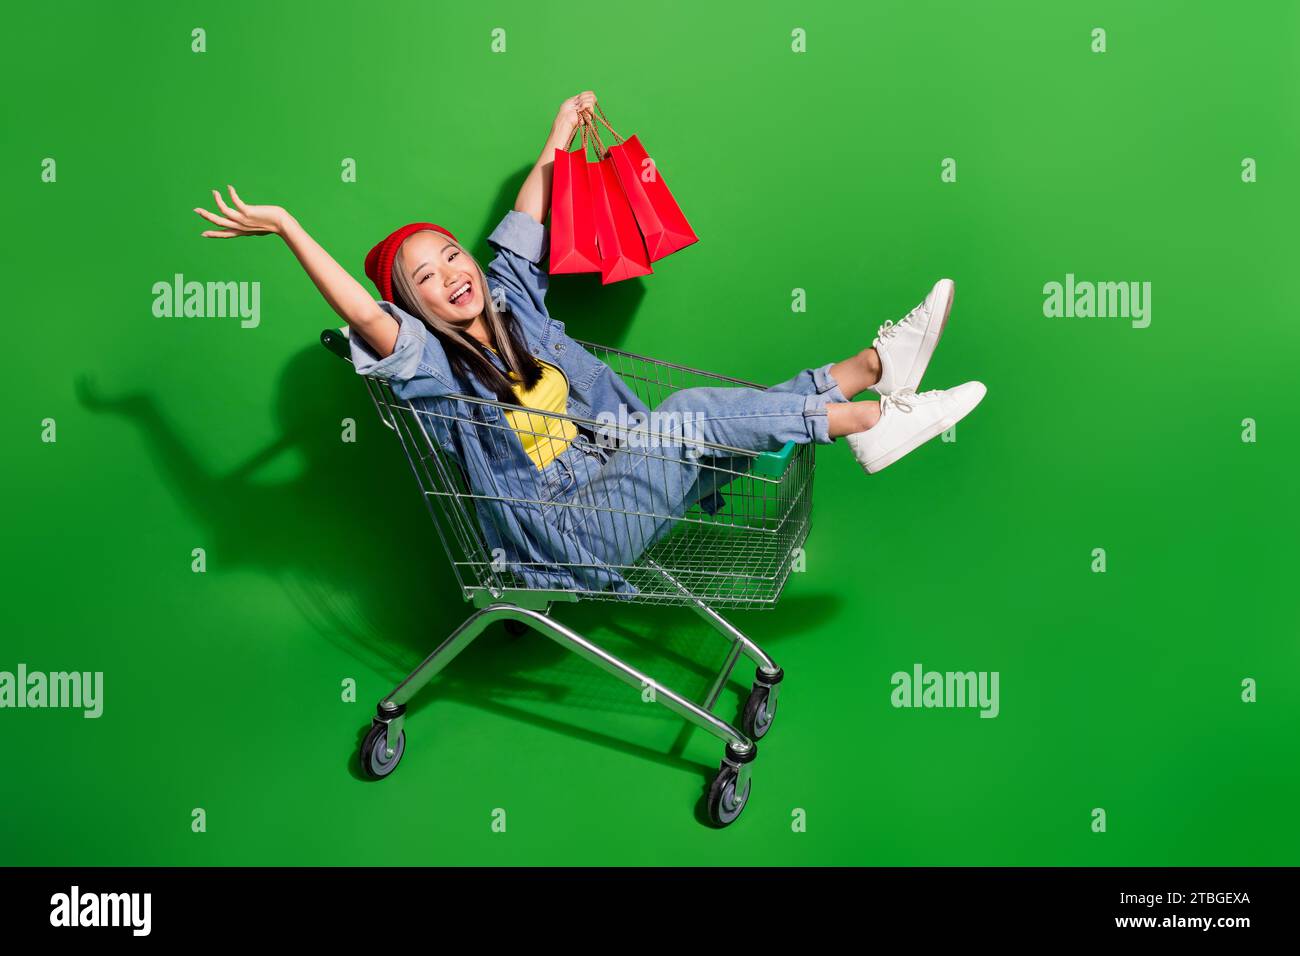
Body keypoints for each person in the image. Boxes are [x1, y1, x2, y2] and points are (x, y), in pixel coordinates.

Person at [193, 91, 986, 590]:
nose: (451, 275)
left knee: (688, 421)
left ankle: (872, 369)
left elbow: (521, 234)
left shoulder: (514, 310)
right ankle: (872, 417)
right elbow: (369, 321)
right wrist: (289, 228)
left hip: (618, 473)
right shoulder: (432, 368)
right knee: (694, 414)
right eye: (425, 279)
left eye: (451, 256)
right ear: (412, 306)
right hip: (569, 530)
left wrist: (557, 136)